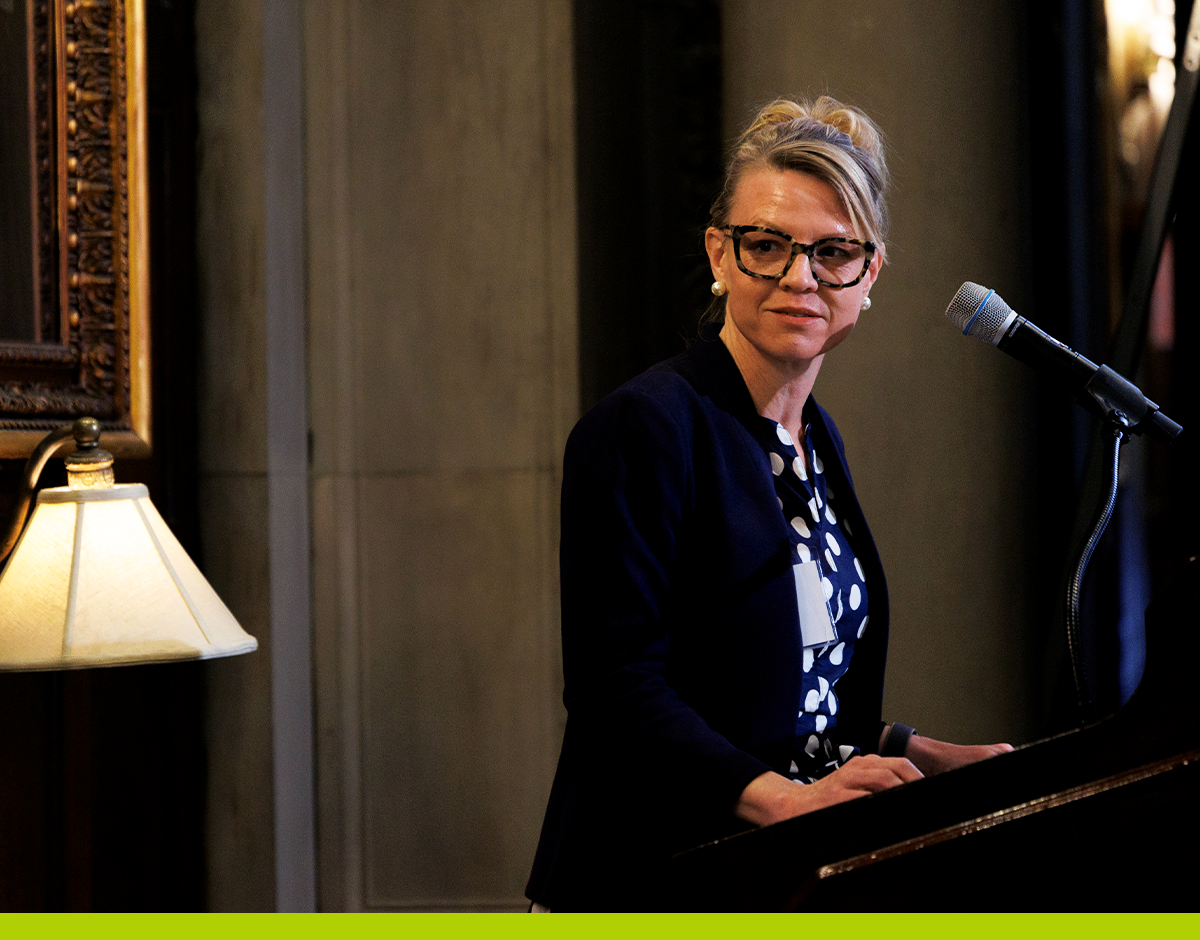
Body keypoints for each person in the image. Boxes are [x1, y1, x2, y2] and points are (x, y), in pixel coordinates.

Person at [526, 96, 1011, 912]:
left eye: (832, 253)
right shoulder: (646, 426)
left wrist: (916, 753)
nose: (800, 277)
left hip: (776, 874)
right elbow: (617, 690)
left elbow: (776, 682)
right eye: (766, 246)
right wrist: (790, 801)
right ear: (719, 253)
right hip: (646, 882)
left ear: (870, 274)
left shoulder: (815, 442)